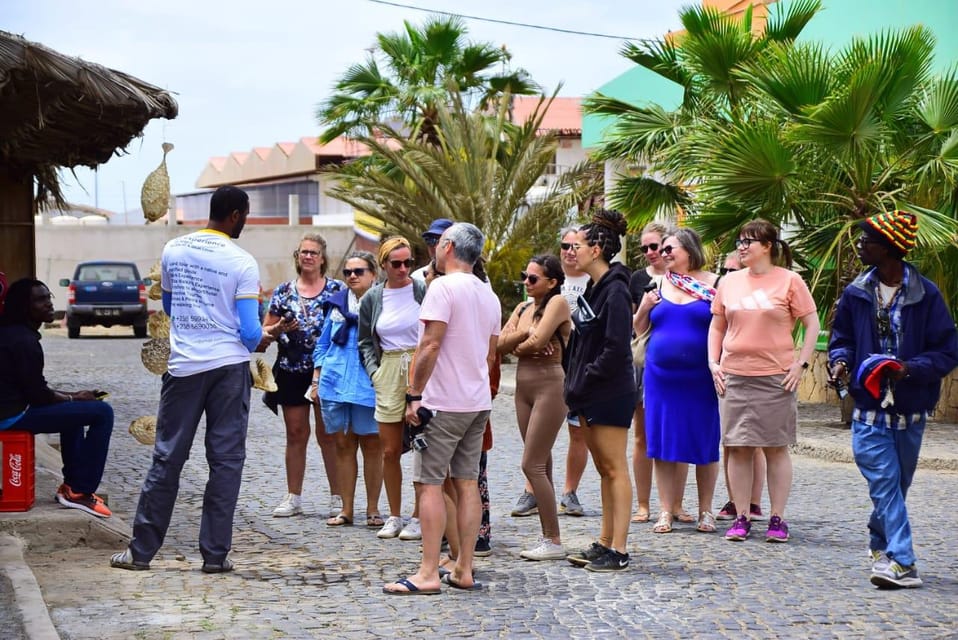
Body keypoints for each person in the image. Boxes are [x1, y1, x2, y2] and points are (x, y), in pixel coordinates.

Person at [111, 185, 262, 572]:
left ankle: (140, 552)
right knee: (226, 461)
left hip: (184, 368)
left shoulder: (174, 250)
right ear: (235, 215)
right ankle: (215, 556)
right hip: (229, 369)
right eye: (244, 215)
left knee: (167, 458)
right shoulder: (243, 262)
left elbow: (172, 309)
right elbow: (249, 334)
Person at [828, 210, 958, 589]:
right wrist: (839, 362)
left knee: (896, 485)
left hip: (911, 409)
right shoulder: (855, 293)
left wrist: (908, 369)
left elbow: (947, 351)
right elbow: (843, 340)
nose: (859, 246)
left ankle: (878, 539)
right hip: (868, 410)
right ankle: (903, 562)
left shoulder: (926, 295)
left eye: (865, 241)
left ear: (887, 248)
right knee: (884, 481)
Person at [382, 222, 500, 595]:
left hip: (442, 403)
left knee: (429, 484)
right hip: (476, 402)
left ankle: (428, 572)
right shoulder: (489, 295)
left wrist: (414, 394)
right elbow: (490, 354)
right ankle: (464, 568)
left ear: (447, 246)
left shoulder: (442, 288)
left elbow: (430, 345)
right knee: (467, 484)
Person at [708, 219, 819, 544]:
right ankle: (742, 516)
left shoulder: (790, 281)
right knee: (737, 447)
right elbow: (717, 325)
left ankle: (778, 518)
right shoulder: (729, 282)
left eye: (749, 242)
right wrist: (713, 363)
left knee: (775, 448)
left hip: (775, 377)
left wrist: (801, 363)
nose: (742, 247)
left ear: (767, 246)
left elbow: (811, 324)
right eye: (740, 241)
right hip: (734, 376)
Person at [0, 278, 114, 517]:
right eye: (40, 300)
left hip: (14, 409)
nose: (49, 304)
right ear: (24, 307)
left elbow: (35, 389)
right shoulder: (23, 341)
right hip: (10, 417)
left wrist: (75, 398)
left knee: (73, 415)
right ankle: (81, 491)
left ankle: (71, 487)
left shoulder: (14, 333)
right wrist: (74, 399)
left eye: (48, 297)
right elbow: (39, 396)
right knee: (102, 413)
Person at [563, 209, 636, 573]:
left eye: (578, 245)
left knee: (614, 467)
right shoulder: (595, 288)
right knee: (603, 470)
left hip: (610, 392)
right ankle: (605, 540)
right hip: (588, 392)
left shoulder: (618, 290)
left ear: (596, 249)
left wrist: (584, 379)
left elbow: (615, 348)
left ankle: (619, 549)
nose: (572, 251)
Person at [635, 228, 720, 535]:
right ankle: (665, 510)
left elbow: (724, 326)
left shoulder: (714, 284)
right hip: (661, 376)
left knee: (704, 441)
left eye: (670, 249)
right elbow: (639, 328)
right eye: (663, 249)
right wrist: (644, 307)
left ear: (689, 250)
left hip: (700, 376)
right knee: (662, 442)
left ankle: (706, 510)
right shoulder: (658, 284)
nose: (664, 253)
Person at [261, 233, 344, 518]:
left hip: (327, 371)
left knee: (329, 434)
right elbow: (265, 333)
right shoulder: (283, 292)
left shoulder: (337, 289)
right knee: (296, 433)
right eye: (303, 252)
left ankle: (338, 497)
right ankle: (293, 496)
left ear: (323, 258)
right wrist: (280, 329)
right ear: (297, 256)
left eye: (313, 252)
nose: (308, 256)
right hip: (291, 370)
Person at [498, 255, 572, 560]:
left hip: (549, 385)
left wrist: (524, 339)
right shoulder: (523, 307)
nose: (526, 283)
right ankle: (548, 535)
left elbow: (537, 339)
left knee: (532, 464)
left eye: (533, 278)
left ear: (552, 282)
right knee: (542, 461)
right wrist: (526, 336)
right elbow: (499, 344)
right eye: (524, 277)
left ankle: (552, 539)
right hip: (524, 386)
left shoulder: (558, 303)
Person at [358, 236, 426, 540]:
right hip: (388, 367)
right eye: (396, 263)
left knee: (425, 446)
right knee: (389, 449)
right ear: (383, 264)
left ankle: (419, 514)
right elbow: (364, 340)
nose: (402, 269)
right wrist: (375, 372)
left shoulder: (422, 290)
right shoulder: (372, 298)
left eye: (408, 262)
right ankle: (394, 514)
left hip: (420, 366)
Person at [311, 251, 383, 528]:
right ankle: (346, 508)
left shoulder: (382, 303)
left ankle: (373, 508)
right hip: (336, 382)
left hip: (369, 383)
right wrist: (316, 379)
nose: (352, 276)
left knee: (372, 445)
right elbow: (322, 344)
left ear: (373, 274)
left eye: (359, 271)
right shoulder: (336, 304)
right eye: (348, 272)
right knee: (342, 444)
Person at [714, 251, 767, 521]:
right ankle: (736, 499)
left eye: (733, 270)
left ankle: (754, 502)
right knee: (731, 440)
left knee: (754, 440)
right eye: (725, 270)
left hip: (760, 372)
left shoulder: (761, 292)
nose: (729, 275)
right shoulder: (724, 290)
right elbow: (717, 326)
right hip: (727, 369)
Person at [627, 221, 672, 524]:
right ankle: (643, 503)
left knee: (673, 433)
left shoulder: (681, 277)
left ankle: (674, 504)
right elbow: (632, 322)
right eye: (644, 248)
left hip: (677, 361)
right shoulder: (637, 279)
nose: (649, 253)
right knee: (641, 435)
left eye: (654, 246)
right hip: (644, 358)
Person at [551, 227, 593, 518]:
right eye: (565, 245)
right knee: (540, 433)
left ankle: (569, 491)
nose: (570, 250)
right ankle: (532, 490)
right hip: (551, 364)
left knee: (578, 433)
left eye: (576, 245)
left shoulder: (594, 282)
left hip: (582, 365)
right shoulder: (550, 279)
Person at [411, 218, 454, 283]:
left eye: (440, 241)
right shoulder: (417, 278)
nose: (435, 247)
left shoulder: (462, 279)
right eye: (429, 241)